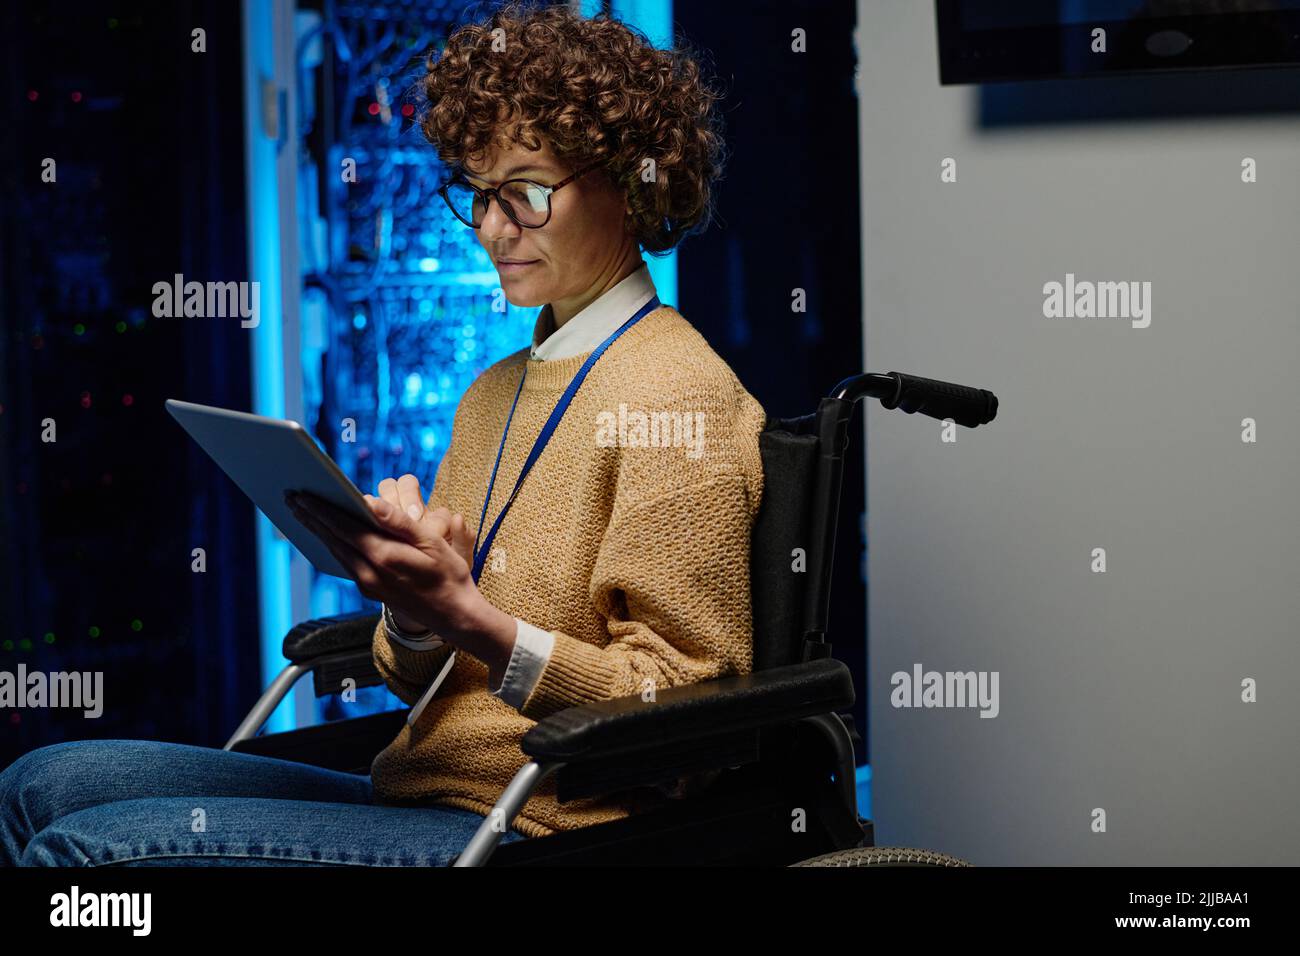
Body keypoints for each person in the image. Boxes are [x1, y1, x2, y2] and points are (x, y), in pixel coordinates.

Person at [0, 0, 764, 866]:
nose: (489, 229)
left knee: (84, 851)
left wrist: (473, 620)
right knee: (41, 782)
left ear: (635, 183)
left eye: (526, 194)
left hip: (539, 823)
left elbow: (682, 711)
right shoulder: (495, 392)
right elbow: (413, 681)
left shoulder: (680, 394)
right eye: (476, 194)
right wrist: (413, 612)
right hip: (422, 788)